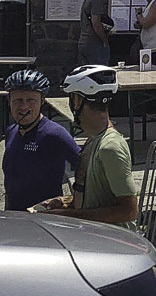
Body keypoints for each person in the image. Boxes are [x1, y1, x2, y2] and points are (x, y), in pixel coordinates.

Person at [35, 65, 138, 228]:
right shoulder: (94, 140)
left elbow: (129, 211)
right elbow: (96, 198)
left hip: (110, 245)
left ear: (77, 100)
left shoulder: (110, 148)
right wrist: (63, 202)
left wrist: (67, 216)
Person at [0, 68, 80, 211]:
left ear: (42, 100)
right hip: (15, 218)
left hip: (44, 219)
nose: (24, 107)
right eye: (18, 100)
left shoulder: (54, 133)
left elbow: (86, 168)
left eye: (31, 100)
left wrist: (73, 201)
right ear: (9, 100)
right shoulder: (11, 131)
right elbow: (10, 180)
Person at [77, 0, 115, 66]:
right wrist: (105, 40)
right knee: (99, 74)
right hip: (94, 44)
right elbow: (96, 22)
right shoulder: (97, 0)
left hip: (86, 42)